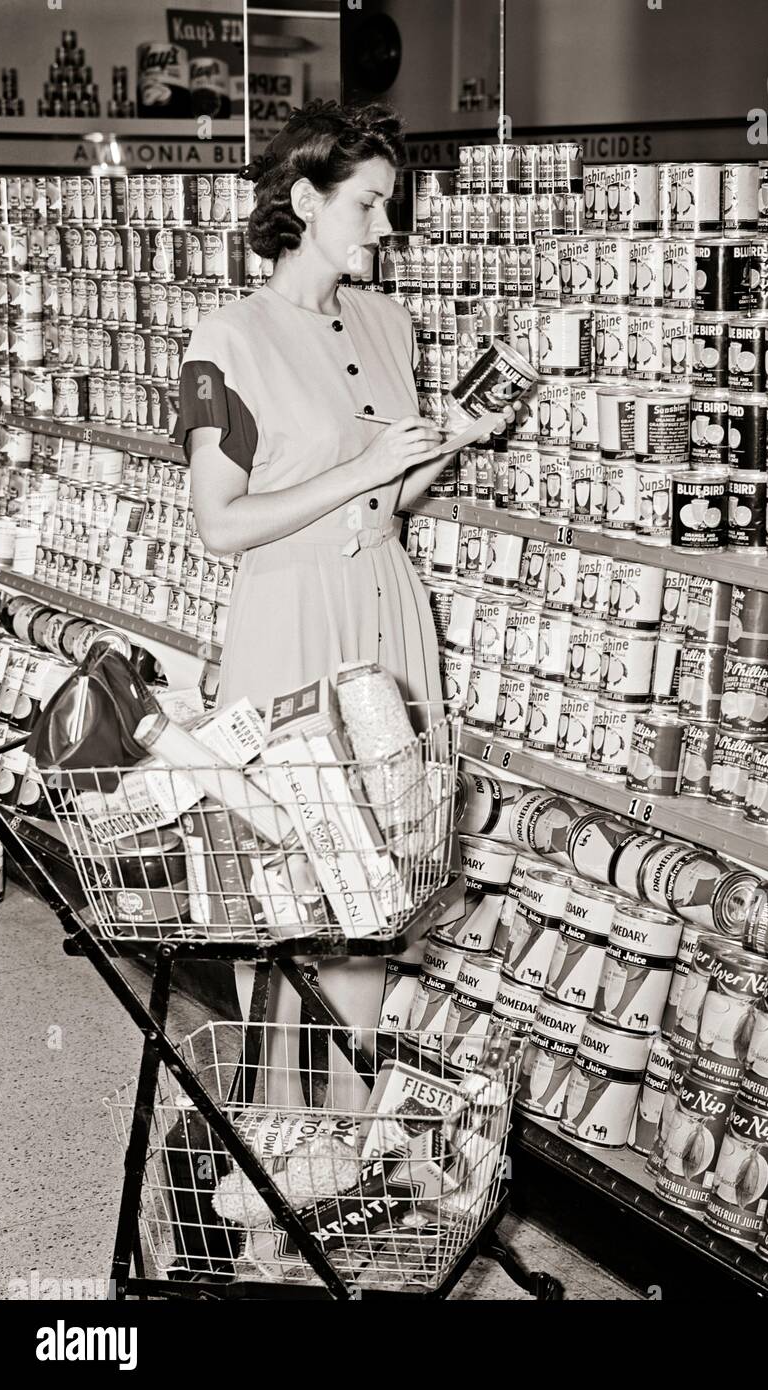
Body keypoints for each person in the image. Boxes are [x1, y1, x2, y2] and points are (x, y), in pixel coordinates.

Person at [174, 100, 484, 1104]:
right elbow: (220, 524)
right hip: (291, 616)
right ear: (304, 201)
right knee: (286, 879)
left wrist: (451, 443)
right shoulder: (227, 336)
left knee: (375, 885)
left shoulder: (391, 323)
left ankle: (346, 1134)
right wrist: (360, 475)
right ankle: (259, 1136)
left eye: (390, 205)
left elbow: (388, 501)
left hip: (386, 612)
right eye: (368, 204)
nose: (385, 228)